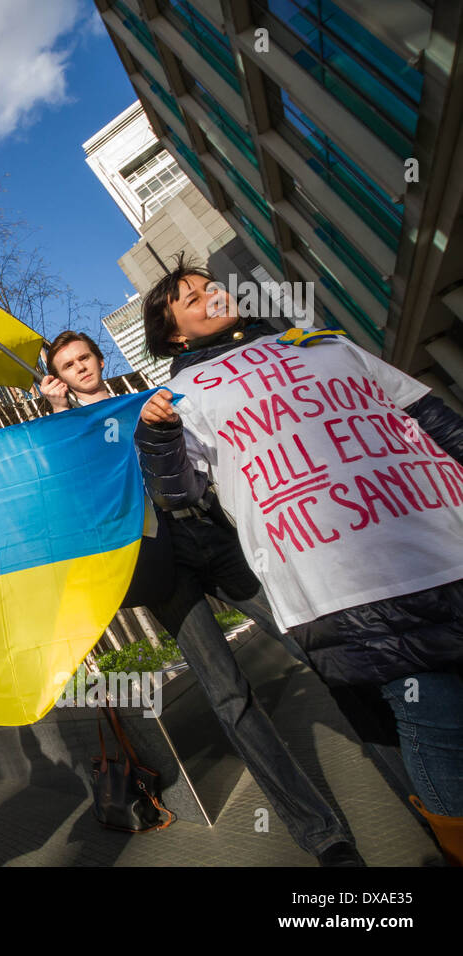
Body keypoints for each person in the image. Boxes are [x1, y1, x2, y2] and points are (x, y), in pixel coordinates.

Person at [135, 254, 463, 865]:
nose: (211, 295)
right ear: (173, 333)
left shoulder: (322, 345)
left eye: (212, 286)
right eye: (191, 297)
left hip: (437, 541)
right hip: (324, 577)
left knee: (397, 696)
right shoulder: (174, 398)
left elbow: (428, 416)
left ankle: (421, 813)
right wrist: (157, 433)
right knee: (426, 705)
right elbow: (178, 491)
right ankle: (352, 843)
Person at [42, 330, 363, 866]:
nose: (79, 368)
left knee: (307, 636)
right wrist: (57, 414)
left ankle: (407, 761)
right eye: (67, 365)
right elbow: (69, 482)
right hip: (158, 565)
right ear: (61, 377)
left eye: (84, 357)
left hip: (211, 535)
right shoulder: (70, 429)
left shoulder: (150, 398)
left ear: (99, 360)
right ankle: (322, 836)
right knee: (228, 694)